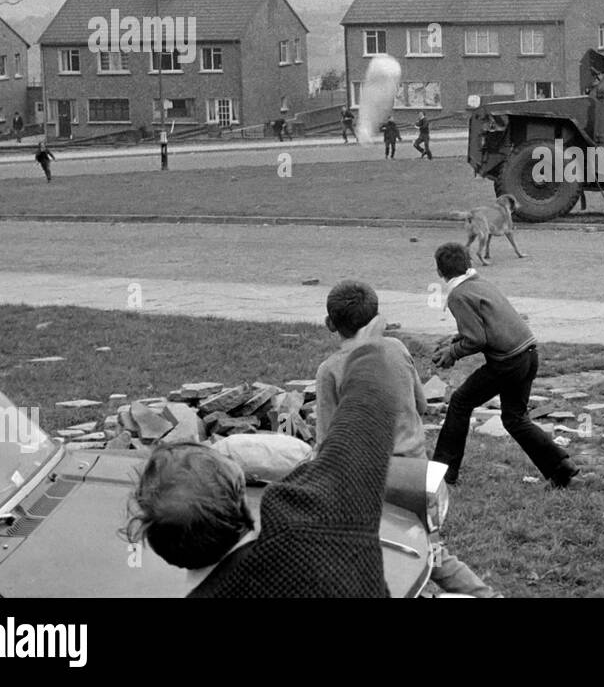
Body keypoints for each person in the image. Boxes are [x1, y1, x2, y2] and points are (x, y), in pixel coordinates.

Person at [125, 341, 396, 597]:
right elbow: (372, 400)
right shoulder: (319, 518)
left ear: (163, 549)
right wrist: (365, 347)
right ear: (241, 492)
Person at [315, 280, 495, 596]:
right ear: (376, 318)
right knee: (431, 554)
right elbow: (423, 404)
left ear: (331, 324)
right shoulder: (396, 349)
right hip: (417, 476)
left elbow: (328, 443)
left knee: (366, 554)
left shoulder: (330, 370)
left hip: (368, 483)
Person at [430, 242, 577, 488]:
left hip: (507, 362)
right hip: (529, 353)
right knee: (515, 418)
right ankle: (561, 467)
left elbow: (477, 338)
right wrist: (454, 341)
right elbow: (486, 327)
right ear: (470, 263)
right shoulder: (480, 284)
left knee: (459, 402)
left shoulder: (458, 295)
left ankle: (444, 473)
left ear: (439, 272)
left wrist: (453, 352)